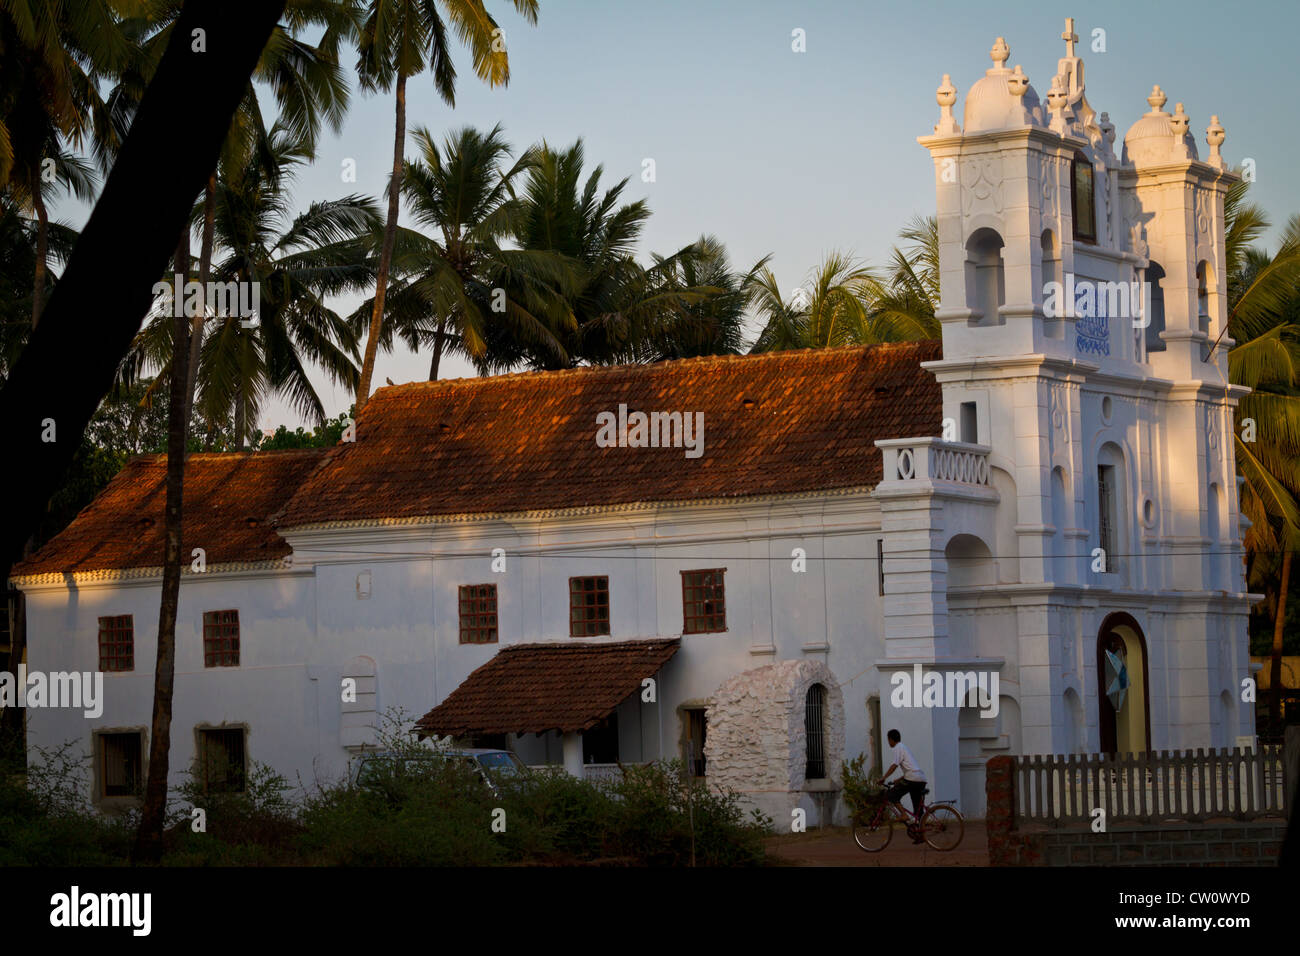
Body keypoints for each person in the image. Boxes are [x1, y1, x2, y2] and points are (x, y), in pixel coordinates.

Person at [879, 729, 927, 843]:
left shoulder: (897, 748)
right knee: (918, 810)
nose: (888, 742)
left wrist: (883, 778)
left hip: (912, 779)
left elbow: (894, 765)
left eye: (888, 740)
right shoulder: (904, 748)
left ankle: (904, 815)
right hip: (920, 779)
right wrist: (899, 779)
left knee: (891, 795)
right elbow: (911, 768)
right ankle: (921, 835)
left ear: (891, 739)